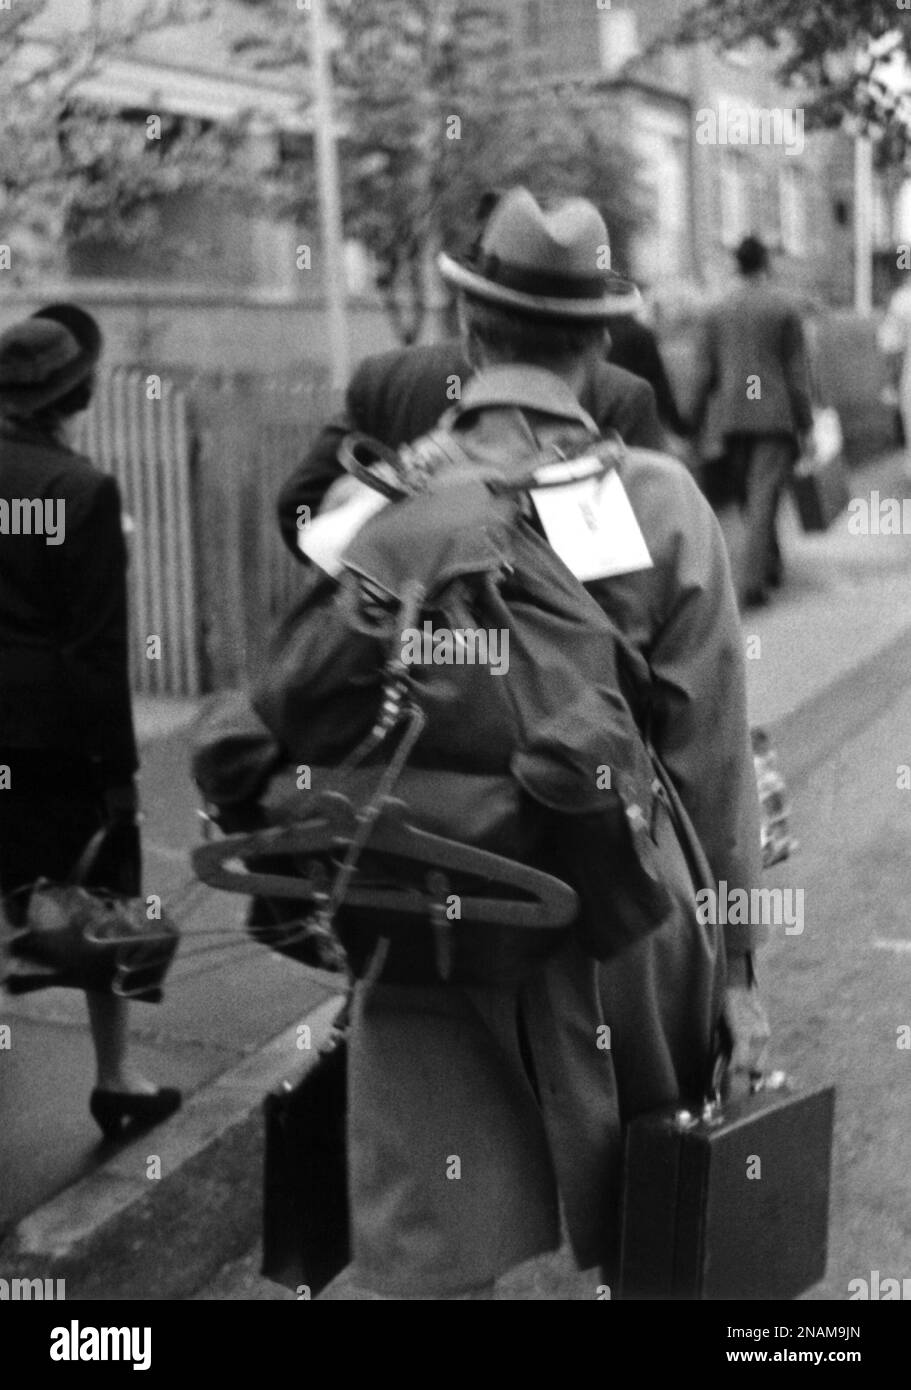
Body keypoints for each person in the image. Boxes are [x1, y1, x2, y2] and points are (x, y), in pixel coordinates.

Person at [308, 188, 769, 1298]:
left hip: (422, 903)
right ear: (599, 341)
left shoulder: (377, 500)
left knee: (433, 1240)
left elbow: (326, 712)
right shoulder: (660, 505)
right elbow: (708, 769)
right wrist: (739, 972)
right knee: (635, 1226)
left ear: (470, 333)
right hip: (611, 914)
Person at [0, 304, 181, 1140]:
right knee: (103, 900)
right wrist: (118, 777)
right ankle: (117, 1079)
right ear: (76, 396)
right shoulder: (81, 490)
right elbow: (94, 650)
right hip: (56, 741)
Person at [277, 307, 664, 558]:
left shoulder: (384, 378)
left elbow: (299, 505)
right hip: (560, 669)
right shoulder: (621, 394)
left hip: (414, 660)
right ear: (600, 342)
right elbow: (646, 572)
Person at [689, 234, 813, 609]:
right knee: (763, 495)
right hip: (774, 416)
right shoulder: (784, 307)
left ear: (736, 265)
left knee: (749, 495)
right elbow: (797, 372)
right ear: (766, 265)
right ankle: (752, 582)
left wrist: (691, 421)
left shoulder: (716, 310)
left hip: (732, 416)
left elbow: (703, 372)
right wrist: (806, 420)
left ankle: (768, 565)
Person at [603, 307, 687, 438]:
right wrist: (678, 424)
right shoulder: (641, 334)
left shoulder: (598, 334)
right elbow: (658, 381)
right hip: (632, 412)